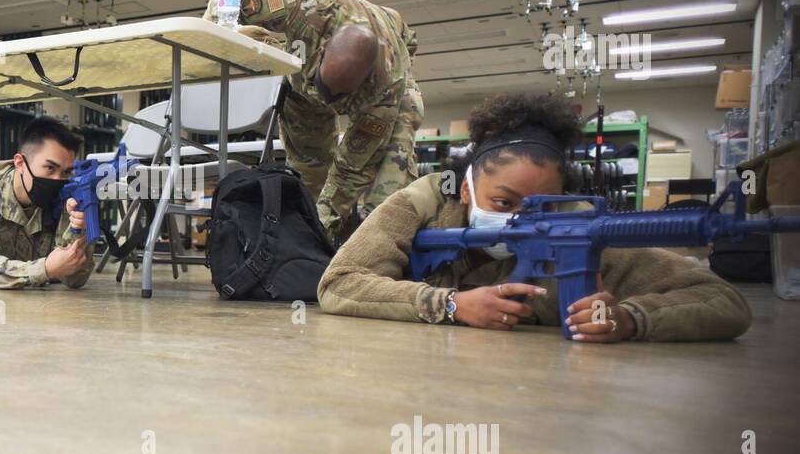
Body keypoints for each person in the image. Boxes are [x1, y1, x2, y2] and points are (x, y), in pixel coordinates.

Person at [317, 92, 752, 342]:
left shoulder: (578, 229)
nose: (518, 220)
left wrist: (631, 318)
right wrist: (449, 304)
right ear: (468, 189)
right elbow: (339, 283)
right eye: (503, 203)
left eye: (539, 205)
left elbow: (725, 302)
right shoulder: (423, 204)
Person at [204, 0, 424, 242]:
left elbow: (352, 170)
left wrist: (319, 227)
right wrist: (230, 36)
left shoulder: (385, 94)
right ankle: (309, 238)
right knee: (307, 171)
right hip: (303, 77)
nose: (330, 102)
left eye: (339, 96)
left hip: (394, 55)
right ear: (321, 52)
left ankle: (375, 255)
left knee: (389, 186)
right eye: (327, 90)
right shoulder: (306, 7)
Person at [0, 116, 91, 289]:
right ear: (20, 163)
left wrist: (79, 229)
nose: (57, 180)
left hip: (46, 304)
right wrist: (45, 269)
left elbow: (74, 279)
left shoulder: (67, 194)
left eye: (65, 172)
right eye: (50, 168)